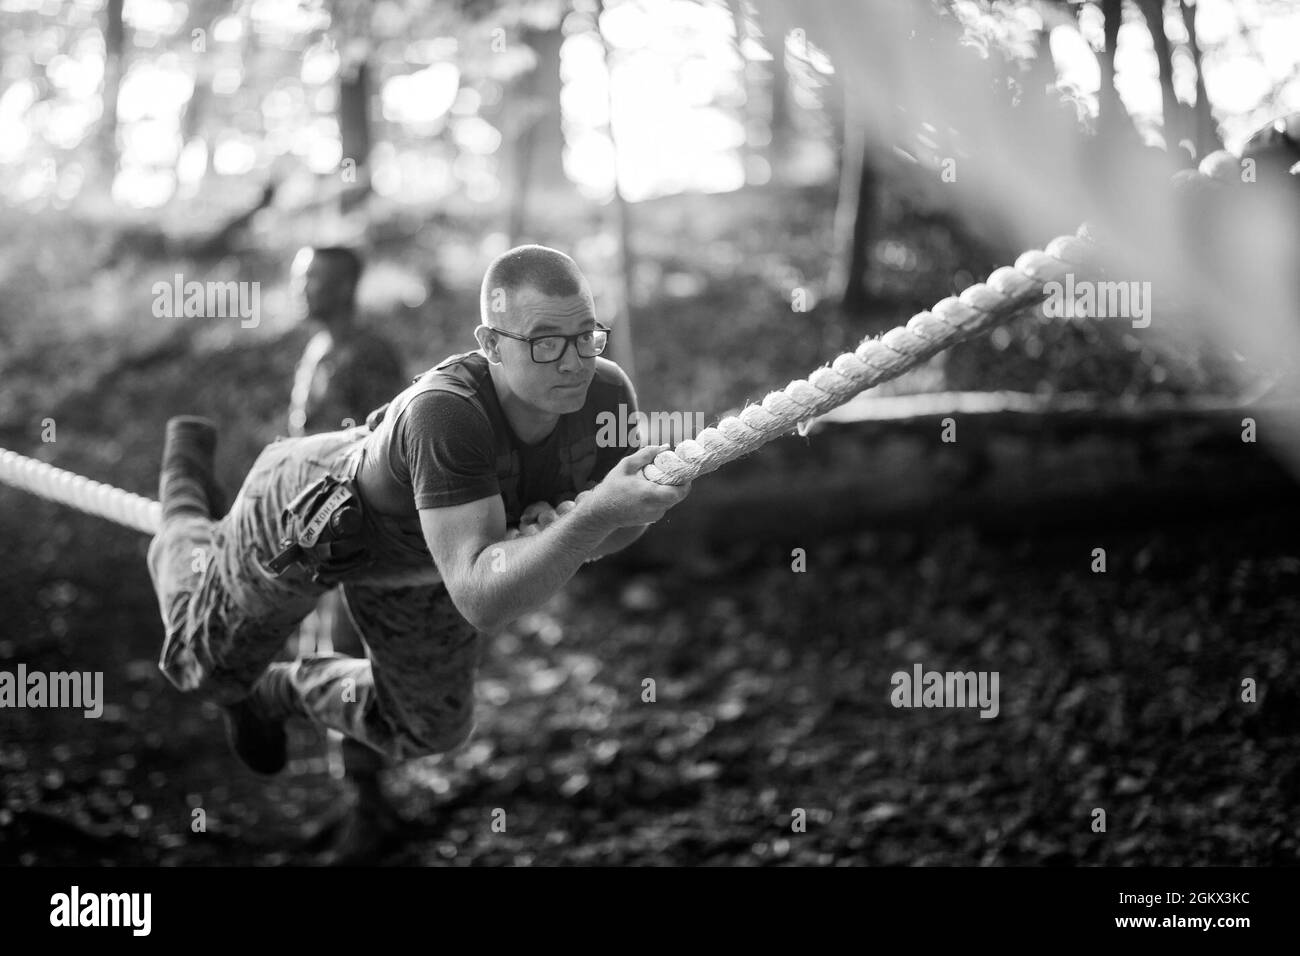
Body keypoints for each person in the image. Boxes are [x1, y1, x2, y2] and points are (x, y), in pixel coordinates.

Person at [145, 245, 690, 856]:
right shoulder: (447, 413)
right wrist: (588, 518)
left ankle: (278, 692)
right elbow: (484, 599)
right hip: (305, 515)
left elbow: (616, 528)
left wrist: (609, 514)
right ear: (491, 343)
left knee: (430, 728)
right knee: (201, 667)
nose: (573, 361)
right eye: (544, 341)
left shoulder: (606, 394)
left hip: (430, 557)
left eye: (586, 336)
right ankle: (185, 489)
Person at [284, 245, 409, 862]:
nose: (307, 289)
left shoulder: (370, 352)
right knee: (319, 664)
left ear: (348, 285)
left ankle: (370, 810)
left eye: (321, 279)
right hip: (316, 539)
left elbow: (390, 448)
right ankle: (358, 802)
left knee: (350, 664)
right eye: (303, 277)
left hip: (360, 544)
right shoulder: (319, 350)